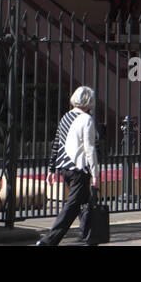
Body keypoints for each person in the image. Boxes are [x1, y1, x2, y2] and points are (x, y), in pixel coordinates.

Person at [37, 86, 100, 246]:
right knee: (72, 206)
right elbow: (90, 148)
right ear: (89, 102)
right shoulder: (87, 119)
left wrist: (51, 169)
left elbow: (57, 142)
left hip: (64, 167)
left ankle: (89, 237)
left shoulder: (66, 117)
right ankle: (49, 241)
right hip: (78, 168)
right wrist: (95, 174)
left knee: (83, 203)